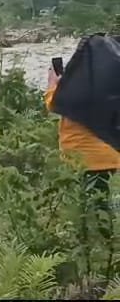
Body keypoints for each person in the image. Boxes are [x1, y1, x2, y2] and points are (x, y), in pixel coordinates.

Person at [46, 65, 120, 242]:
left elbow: (54, 103)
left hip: (88, 159)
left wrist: (52, 83)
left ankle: (105, 241)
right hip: (108, 155)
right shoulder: (108, 90)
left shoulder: (75, 93)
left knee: (95, 203)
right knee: (99, 198)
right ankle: (102, 239)